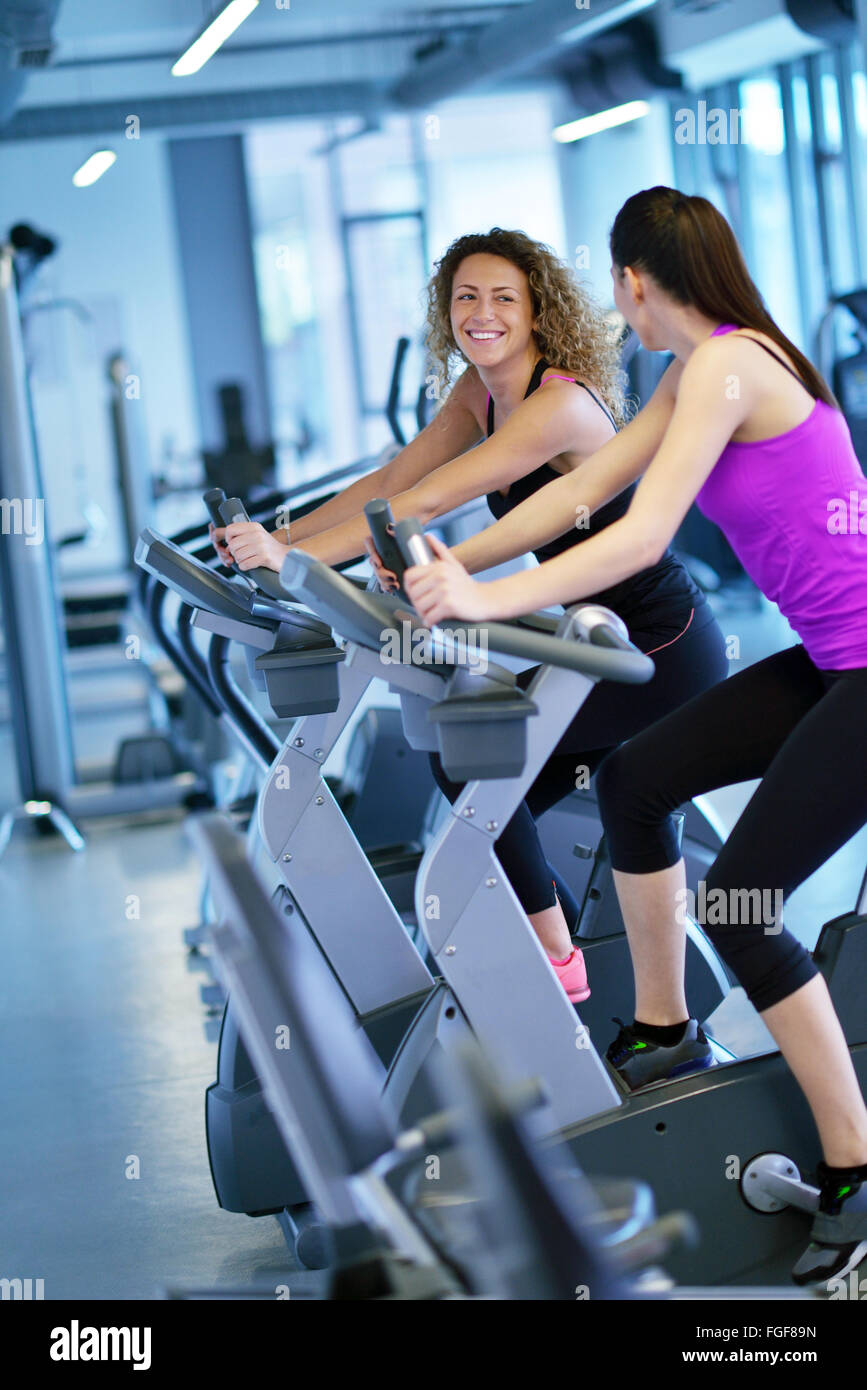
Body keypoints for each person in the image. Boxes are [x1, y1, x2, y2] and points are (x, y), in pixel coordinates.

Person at [404, 187, 867, 1284]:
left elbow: (642, 536)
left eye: (623, 298)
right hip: (831, 661)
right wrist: (454, 566)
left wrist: (487, 602)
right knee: (637, 779)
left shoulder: (727, 366)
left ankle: (854, 1166)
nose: (624, 320)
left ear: (631, 280)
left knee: (743, 904)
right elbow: (585, 499)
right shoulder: (698, 371)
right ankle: (665, 1027)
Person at [214, 228, 728, 1004]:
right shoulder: (478, 391)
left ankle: (555, 964)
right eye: (464, 297)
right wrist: (275, 543)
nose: (480, 314)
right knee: (477, 777)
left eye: (501, 299)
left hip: (660, 641)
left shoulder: (557, 404)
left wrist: (294, 563)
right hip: (589, 634)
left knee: (475, 761)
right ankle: (559, 961)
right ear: (444, 309)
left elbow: (425, 503)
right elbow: (392, 480)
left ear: (535, 312)